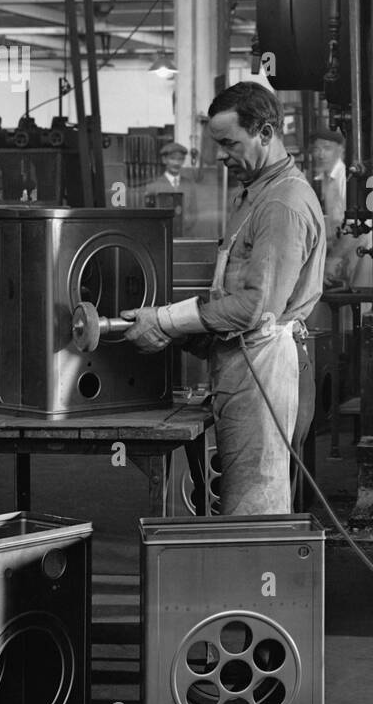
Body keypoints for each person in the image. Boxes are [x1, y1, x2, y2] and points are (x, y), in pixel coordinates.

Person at [122, 83, 326, 515]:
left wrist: (165, 320)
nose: (220, 156)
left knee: (256, 502)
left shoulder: (281, 204)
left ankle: (258, 581)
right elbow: (235, 294)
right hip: (244, 362)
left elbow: (255, 307)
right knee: (240, 493)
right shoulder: (254, 194)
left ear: (266, 133)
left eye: (230, 143)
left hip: (264, 367)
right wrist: (190, 333)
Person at [143, 140, 196, 233]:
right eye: (172, 158)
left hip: (185, 236)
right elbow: (148, 218)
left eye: (180, 159)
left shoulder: (189, 185)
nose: (176, 163)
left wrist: (184, 227)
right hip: (161, 237)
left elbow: (194, 213)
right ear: (164, 160)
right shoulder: (153, 187)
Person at [310, 126, 347, 240]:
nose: (321, 155)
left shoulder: (344, 177)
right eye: (317, 149)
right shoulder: (326, 177)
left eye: (327, 148)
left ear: (340, 150)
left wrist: (335, 256)